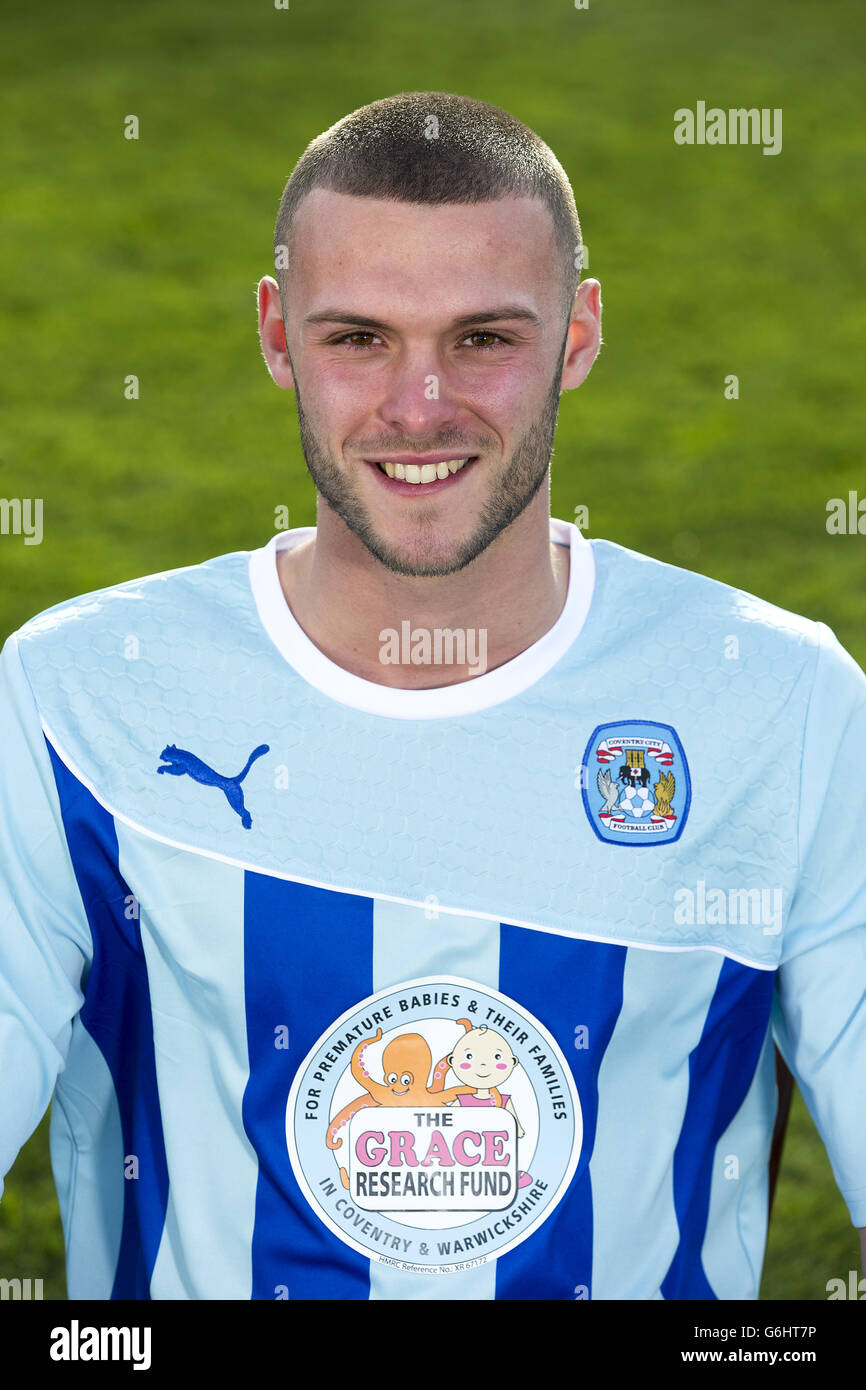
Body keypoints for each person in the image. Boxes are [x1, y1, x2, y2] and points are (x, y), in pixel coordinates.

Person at [1, 90, 864, 1301]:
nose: (418, 408)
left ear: (576, 334)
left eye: (482, 339)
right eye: (357, 338)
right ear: (275, 334)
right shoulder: (76, 700)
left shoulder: (781, 704)